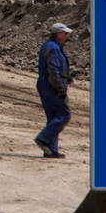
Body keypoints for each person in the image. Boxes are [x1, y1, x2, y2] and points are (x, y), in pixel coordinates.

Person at [35, 22, 73, 158]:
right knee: (64, 114)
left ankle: (50, 150)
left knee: (53, 117)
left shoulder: (51, 46)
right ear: (58, 34)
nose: (66, 36)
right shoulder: (53, 48)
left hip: (46, 85)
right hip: (50, 86)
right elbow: (53, 70)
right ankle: (43, 139)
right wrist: (60, 89)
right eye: (64, 33)